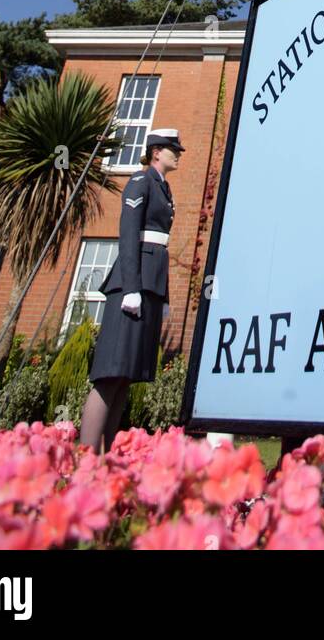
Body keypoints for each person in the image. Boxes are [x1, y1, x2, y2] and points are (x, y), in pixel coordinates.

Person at [79, 128, 183, 452]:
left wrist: (161, 296)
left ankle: (106, 455)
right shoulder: (140, 182)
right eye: (172, 149)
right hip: (131, 285)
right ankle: (85, 457)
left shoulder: (164, 189)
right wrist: (132, 288)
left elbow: (160, 248)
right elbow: (129, 235)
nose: (177, 154)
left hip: (150, 285)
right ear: (156, 152)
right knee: (109, 375)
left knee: (125, 378)